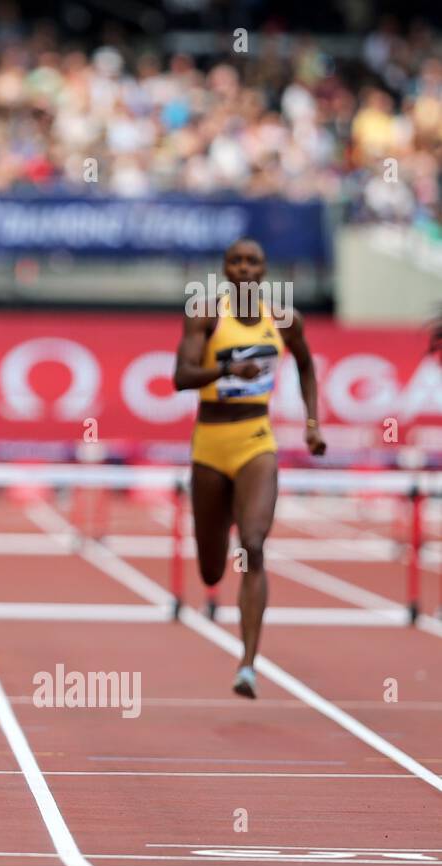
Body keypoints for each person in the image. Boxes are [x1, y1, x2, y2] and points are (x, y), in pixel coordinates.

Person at [173, 238, 325, 698]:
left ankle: (247, 665)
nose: (243, 267)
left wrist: (312, 424)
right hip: (210, 445)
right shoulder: (206, 314)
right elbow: (180, 377)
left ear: (263, 270)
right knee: (212, 569)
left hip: (256, 440)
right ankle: (217, 580)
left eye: (252, 262)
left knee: (254, 544)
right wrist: (224, 373)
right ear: (224, 269)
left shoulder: (283, 320)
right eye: (235, 261)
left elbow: (306, 366)